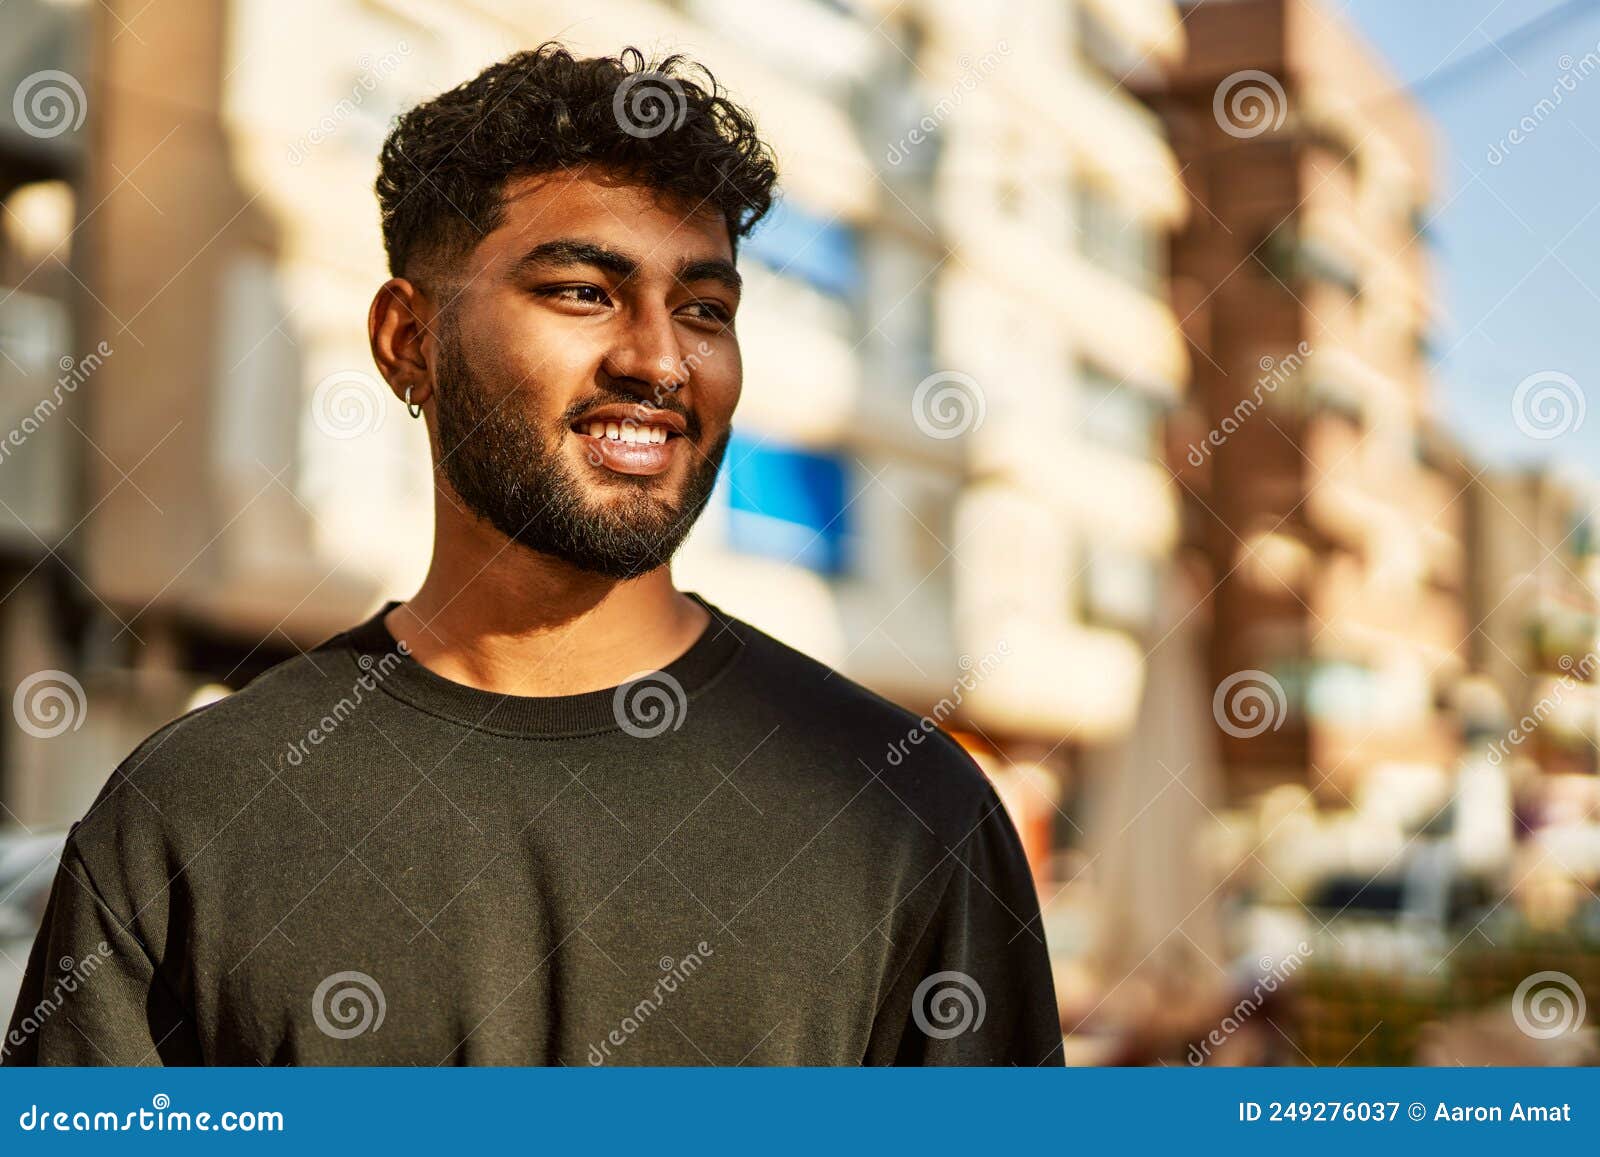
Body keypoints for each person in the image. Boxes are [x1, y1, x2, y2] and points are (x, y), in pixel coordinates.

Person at [4, 43, 1062, 1067]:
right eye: (581, 291)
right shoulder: (190, 812)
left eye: (704, 309)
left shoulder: (906, 812)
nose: (657, 358)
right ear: (406, 341)